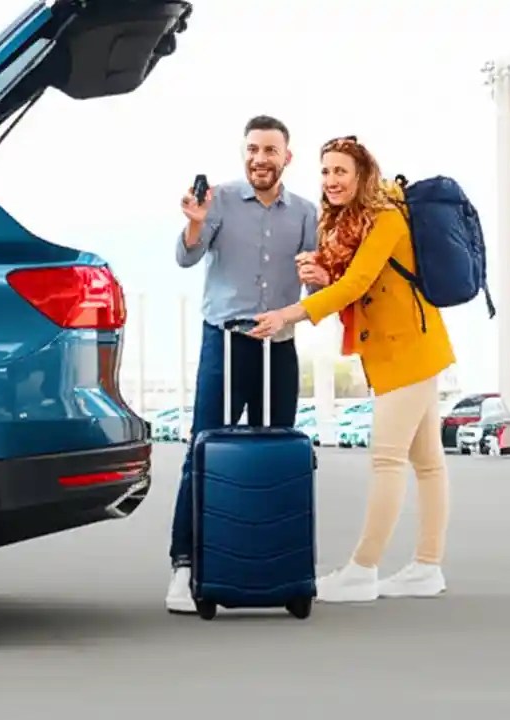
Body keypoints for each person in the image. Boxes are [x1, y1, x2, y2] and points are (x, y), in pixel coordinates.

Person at [248, 135, 455, 603]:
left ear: (362, 175)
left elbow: (360, 281)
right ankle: (427, 565)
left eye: (341, 171)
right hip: (399, 350)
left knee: (387, 460)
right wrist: (327, 278)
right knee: (427, 462)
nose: (331, 181)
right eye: (325, 172)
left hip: (411, 351)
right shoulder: (349, 224)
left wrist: (290, 314)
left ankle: (363, 568)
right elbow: (361, 285)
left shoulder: (385, 217)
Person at [165, 115, 319, 613]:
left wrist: (317, 276)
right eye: (253, 149)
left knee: (276, 458)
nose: (260, 159)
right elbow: (187, 258)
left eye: (270, 150)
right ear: (244, 153)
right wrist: (193, 221)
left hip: (279, 345)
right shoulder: (221, 201)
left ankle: (271, 564)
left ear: (286, 158)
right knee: (205, 450)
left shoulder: (304, 213)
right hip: (226, 343)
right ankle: (185, 564)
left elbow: (316, 288)